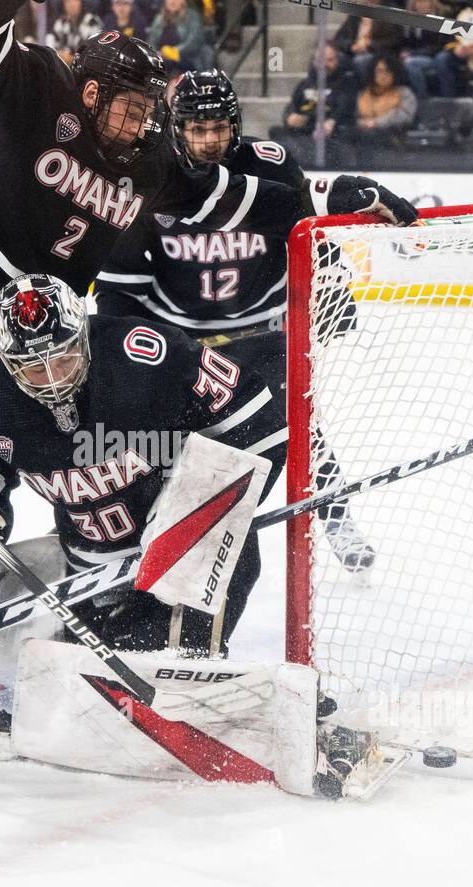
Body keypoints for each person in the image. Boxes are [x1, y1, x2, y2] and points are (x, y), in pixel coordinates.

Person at [0, 0, 416, 741]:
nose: (148, 121)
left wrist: (332, 196)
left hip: (14, 340)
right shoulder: (37, 87)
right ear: (89, 95)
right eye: (133, 106)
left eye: (154, 109)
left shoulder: (149, 161)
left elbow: (226, 198)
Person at [0, 273, 290, 754]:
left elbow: (261, 425)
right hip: (89, 570)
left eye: (63, 356)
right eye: (32, 368)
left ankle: (192, 670)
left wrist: (197, 515)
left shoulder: (145, 353)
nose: (54, 378)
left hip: (181, 562)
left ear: (83, 335)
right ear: (5, 361)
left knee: (219, 546)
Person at [97, 68, 377, 580]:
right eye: (197, 130)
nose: (209, 141)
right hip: (181, 338)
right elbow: (120, 289)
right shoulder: (151, 179)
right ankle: (161, 527)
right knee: (173, 440)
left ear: (236, 123)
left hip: (262, 330)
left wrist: (334, 286)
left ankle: (336, 516)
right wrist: (124, 348)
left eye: (219, 128)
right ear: (173, 128)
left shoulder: (268, 163)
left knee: (297, 424)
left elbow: (309, 226)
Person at [269, 42, 356, 167]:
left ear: (337, 61)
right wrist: (290, 117)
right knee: (276, 132)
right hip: (303, 133)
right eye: (320, 60)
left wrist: (332, 121)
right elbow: (291, 107)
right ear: (314, 61)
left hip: (329, 136)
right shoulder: (305, 84)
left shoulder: (345, 83)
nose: (324, 64)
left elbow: (344, 108)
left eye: (329, 60)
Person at [148, 0, 213, 73]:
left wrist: (174, 51)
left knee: (168, 65)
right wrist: (156, 54)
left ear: (183, 2)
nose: (173, 2)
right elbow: (151, 42)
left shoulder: (191, 17)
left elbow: (195, 41)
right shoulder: (159, 19)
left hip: (186, 60)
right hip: (162, 59)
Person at [48, 0, 104, 65]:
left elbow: (95, 52)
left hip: (85, 67)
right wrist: (61, 55)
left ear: (81, 2)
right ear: (64, 4)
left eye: (75, 0)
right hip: (62, 67)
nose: (72, 4)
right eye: (68, 1)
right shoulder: (61, 22)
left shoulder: (93, 21)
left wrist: (72, 58)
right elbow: (51, 47)